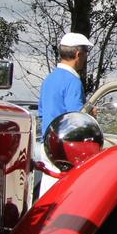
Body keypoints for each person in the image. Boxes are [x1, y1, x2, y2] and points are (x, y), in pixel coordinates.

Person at [35, 32, 92, 196]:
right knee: (64, 193)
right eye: (85, 54)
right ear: (78, 54)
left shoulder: (50, 79)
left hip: (47, 143)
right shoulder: (73, 81)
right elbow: (76, 117)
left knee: (46, 189)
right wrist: (89, 113)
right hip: (65, 147)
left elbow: (41, 112)